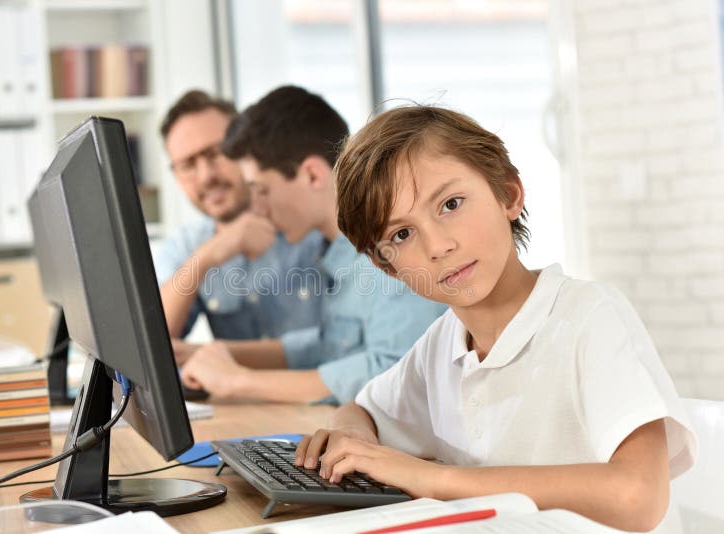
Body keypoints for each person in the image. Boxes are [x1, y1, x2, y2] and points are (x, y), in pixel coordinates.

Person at [294, 105, 697, 532]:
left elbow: (638, 496)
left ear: (509, 194)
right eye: (402, 234)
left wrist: (435, 480)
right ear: (388, 266)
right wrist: (353, 442)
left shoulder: (590, 317)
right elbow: (363, 410)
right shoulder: (443, 343)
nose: (438, 245)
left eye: (450, 204)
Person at [174, 86, 446, 404]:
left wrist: (239, 381)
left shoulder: (390, 250)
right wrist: (208, 354)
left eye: (260, 190)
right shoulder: (337, 254)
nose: (256, 208)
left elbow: (392, 372)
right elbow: (332, 346)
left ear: (313, 176)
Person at [156, 90, 323, 342]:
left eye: (215, 153)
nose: (205, 176)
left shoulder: (311, 221)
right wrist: (206, 257)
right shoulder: (186, 246)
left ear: (243, 147)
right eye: (188, 165)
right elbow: (151, 343)